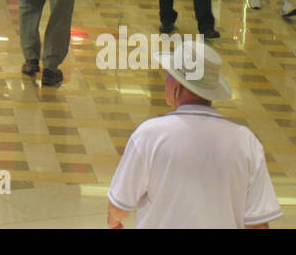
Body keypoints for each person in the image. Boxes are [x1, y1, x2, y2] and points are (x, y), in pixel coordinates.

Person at [107, 44, 282, 229]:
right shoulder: (246, 142)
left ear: (178, 85)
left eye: (168, 75)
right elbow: (258, 224)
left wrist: (113, 220)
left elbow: (119, 206)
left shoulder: (149, 135)